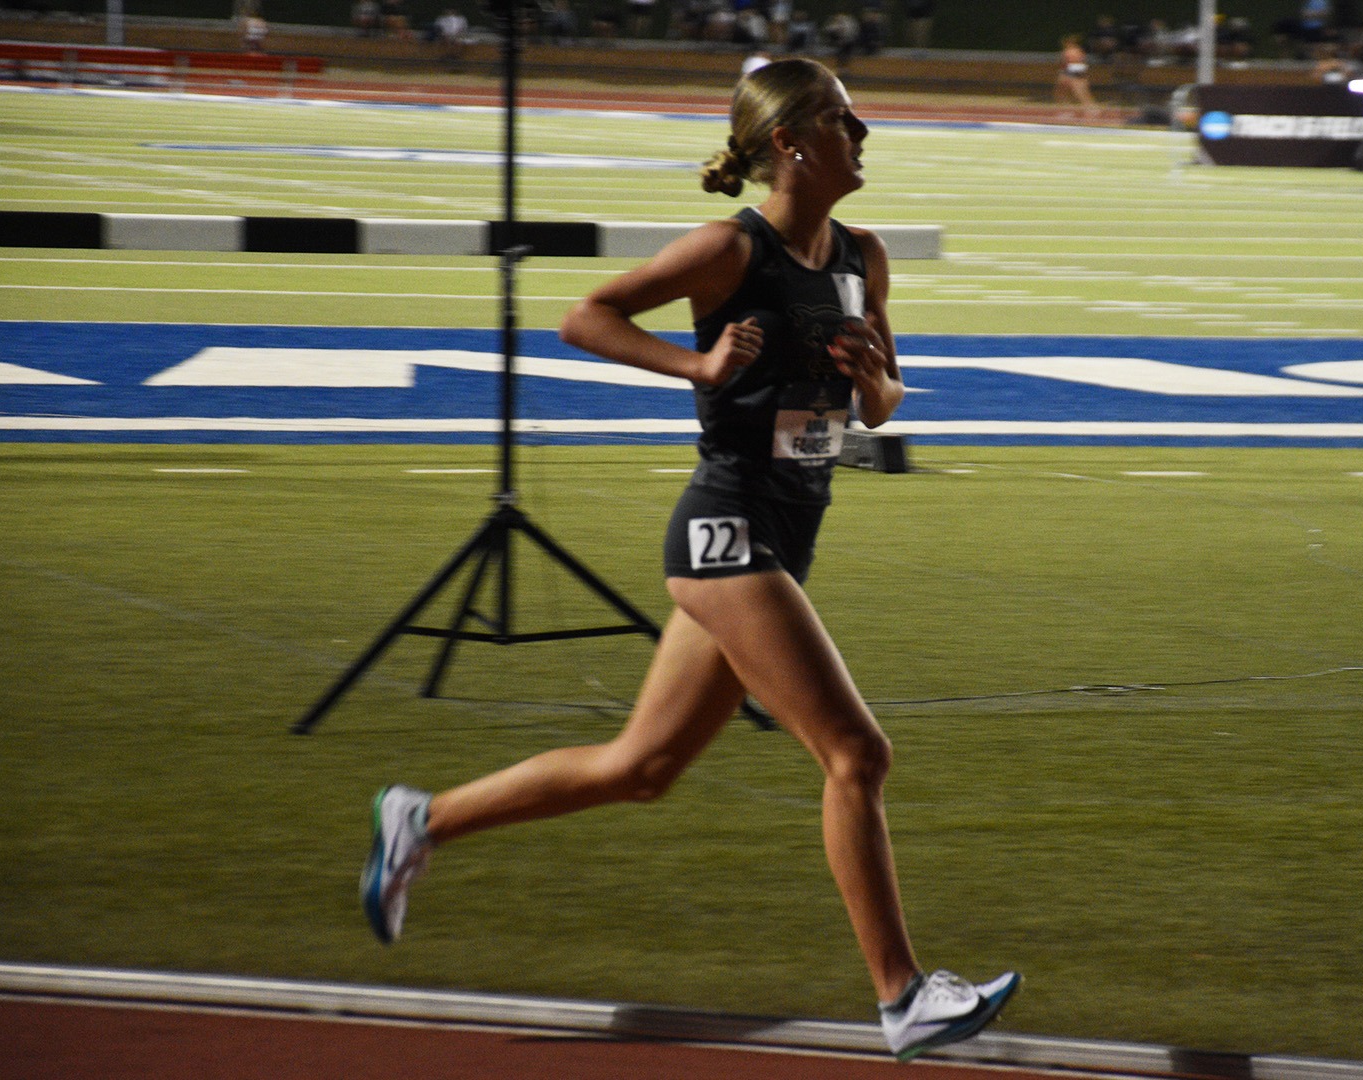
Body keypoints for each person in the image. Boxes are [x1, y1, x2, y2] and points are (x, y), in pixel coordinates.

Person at [358, 57, 1020, 1064]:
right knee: (857, 752)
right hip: (725, 527)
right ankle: (903, 998)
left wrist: (878, 381)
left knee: (643, 767)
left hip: (792, 527)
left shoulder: (863, 255)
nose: (863, 133)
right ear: (793, 142)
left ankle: (422, 821)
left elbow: (880, 406)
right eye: (845, 120)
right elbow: (587, 315)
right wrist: (698, 365)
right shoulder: (728, 250)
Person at [1055, 34, 1100, 120]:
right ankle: (1068, 110)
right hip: (1073, 71)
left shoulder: (1072, 51)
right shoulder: (1074, 51)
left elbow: (1073, 64)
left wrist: (1064, 74)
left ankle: (1091, 108)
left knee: (1080, 92)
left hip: (1074, 71)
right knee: (1062, 92)